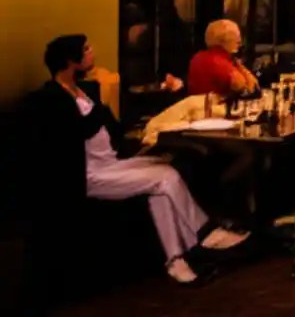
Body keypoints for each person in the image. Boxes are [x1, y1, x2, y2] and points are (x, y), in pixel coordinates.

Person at [23, 35, 249, 286]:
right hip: (88, 175)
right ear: (69, 60)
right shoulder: (52, 98)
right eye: (85, 49)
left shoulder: (85, 90)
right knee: (166, 177)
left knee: (164, 179)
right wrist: (102, 102)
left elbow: (114, 128)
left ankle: (177, 262)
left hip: (112, 163)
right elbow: (77, 132)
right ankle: (205, 234)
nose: (92, 52)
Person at [187, 20, 259, 97]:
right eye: (236, 37)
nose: (240, 42)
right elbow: (248, 88)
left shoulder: (198, 57)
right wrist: (239, 66)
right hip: (213, 106)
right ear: (225, 40)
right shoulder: (219, 62)